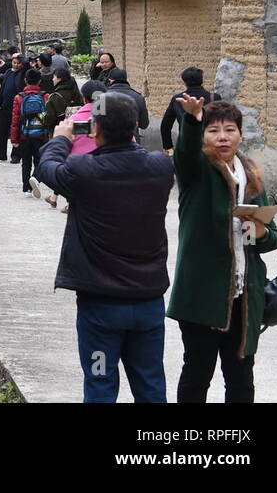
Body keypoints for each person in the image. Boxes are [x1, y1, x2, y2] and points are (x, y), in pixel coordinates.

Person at [36, 92, 175, 403]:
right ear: (137, 127)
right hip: (148, 303)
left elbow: (47, 167)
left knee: (100, 381)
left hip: (101, 308)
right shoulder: (160, 168)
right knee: (151, 384)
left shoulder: (83, 171)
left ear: (94, 130)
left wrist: (61, 138)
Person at [167, 97, 277, 404]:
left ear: (240, 134)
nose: (222, 137)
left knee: (242, 380)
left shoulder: (251, 175)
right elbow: (186, 153)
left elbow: (273, 238)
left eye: (230, 129)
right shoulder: (197, 171)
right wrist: (191, 121)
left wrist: (261, 232)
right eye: (213, 130)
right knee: (196, 376)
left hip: (245, 295)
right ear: (204, 136)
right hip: (202, 294)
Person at [32, 78, 106, 210]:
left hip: (79, 180)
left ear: (84, 98)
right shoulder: (114, 122)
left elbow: (48, 166)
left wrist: (59, 138)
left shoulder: (71, 122)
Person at [159, 67, 220, 155]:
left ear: (184, 82)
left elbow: (165, 126)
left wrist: (169, 149)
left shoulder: (178, 99)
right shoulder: (215, 98)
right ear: (202, 80)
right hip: (210, 146)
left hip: (186, 146)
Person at [10, 67, 50, 195]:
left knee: (25, 162)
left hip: (24, 135)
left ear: (25, 80)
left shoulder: (19, 97)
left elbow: (15, 120)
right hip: (41, 135)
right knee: (39, 160)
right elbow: (48, 117)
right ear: (39, 81)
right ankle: (36, 178)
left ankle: (26, 188)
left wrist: (14, 139)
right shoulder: (45, 96)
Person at [0, 54, 26, 162]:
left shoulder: (23, 74)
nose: (15, 65)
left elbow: (27, 64)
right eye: (14, 62)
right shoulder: (8, 72)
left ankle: (16, 155)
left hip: (17, 107)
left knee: (16, 131)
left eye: (18, 63)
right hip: (5, 106)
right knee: (1, 130)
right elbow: (3, 85)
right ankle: (0, 153)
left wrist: (20, 57)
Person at [101, 69, 149, 138]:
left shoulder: (102, 97)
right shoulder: (138, 97)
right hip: (131, 141)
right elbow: (144, 125)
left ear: (110, 79)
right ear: (125, 79)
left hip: (108, 141)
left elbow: (97, 123)